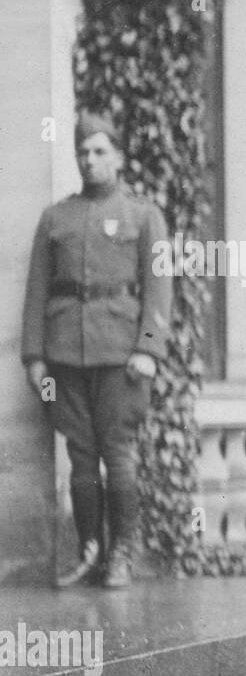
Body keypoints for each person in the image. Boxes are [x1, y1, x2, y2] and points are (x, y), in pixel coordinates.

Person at [21, 112, 172, 589]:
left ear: (119, 157)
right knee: (81, 457)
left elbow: (158, 289)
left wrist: (148, 348)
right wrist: (35, 356)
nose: (90, 160)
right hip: (66, 355)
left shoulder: (145, 215)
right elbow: (37, 291)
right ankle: (90, 551)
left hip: (122, 356)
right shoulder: (56, 217)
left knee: (118, 453)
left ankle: (122, 554)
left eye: (100, 151)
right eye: (83, 152)